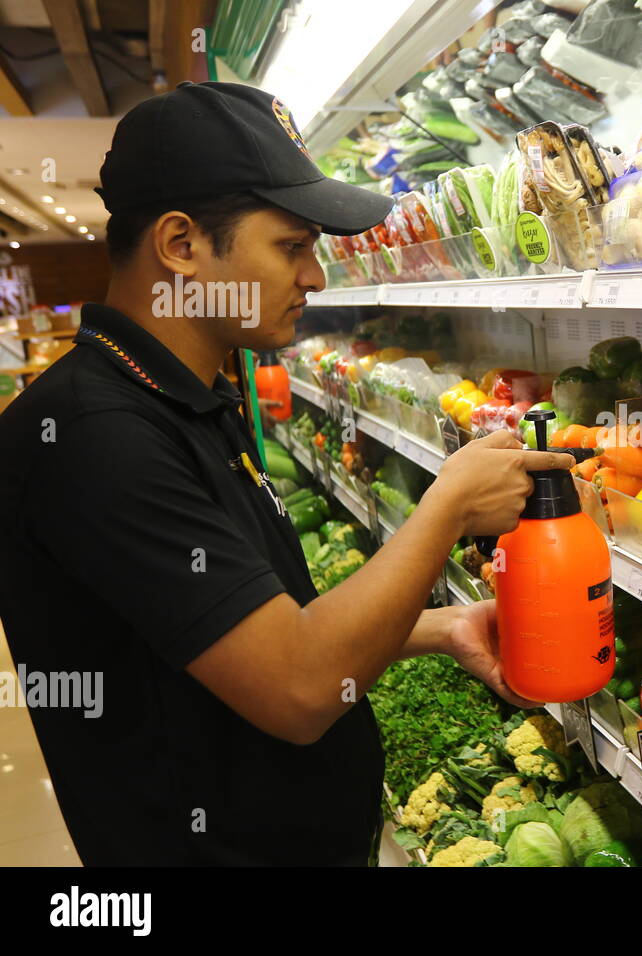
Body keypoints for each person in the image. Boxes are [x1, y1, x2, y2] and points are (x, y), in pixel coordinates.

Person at [0, 81, 573, 865]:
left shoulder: (189, 396)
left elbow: (252, 632)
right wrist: (445, 508)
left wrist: (440, 627)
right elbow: (299, 687)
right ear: (181, 245)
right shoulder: (96, 438)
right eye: (291, 246)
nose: (315, 277)